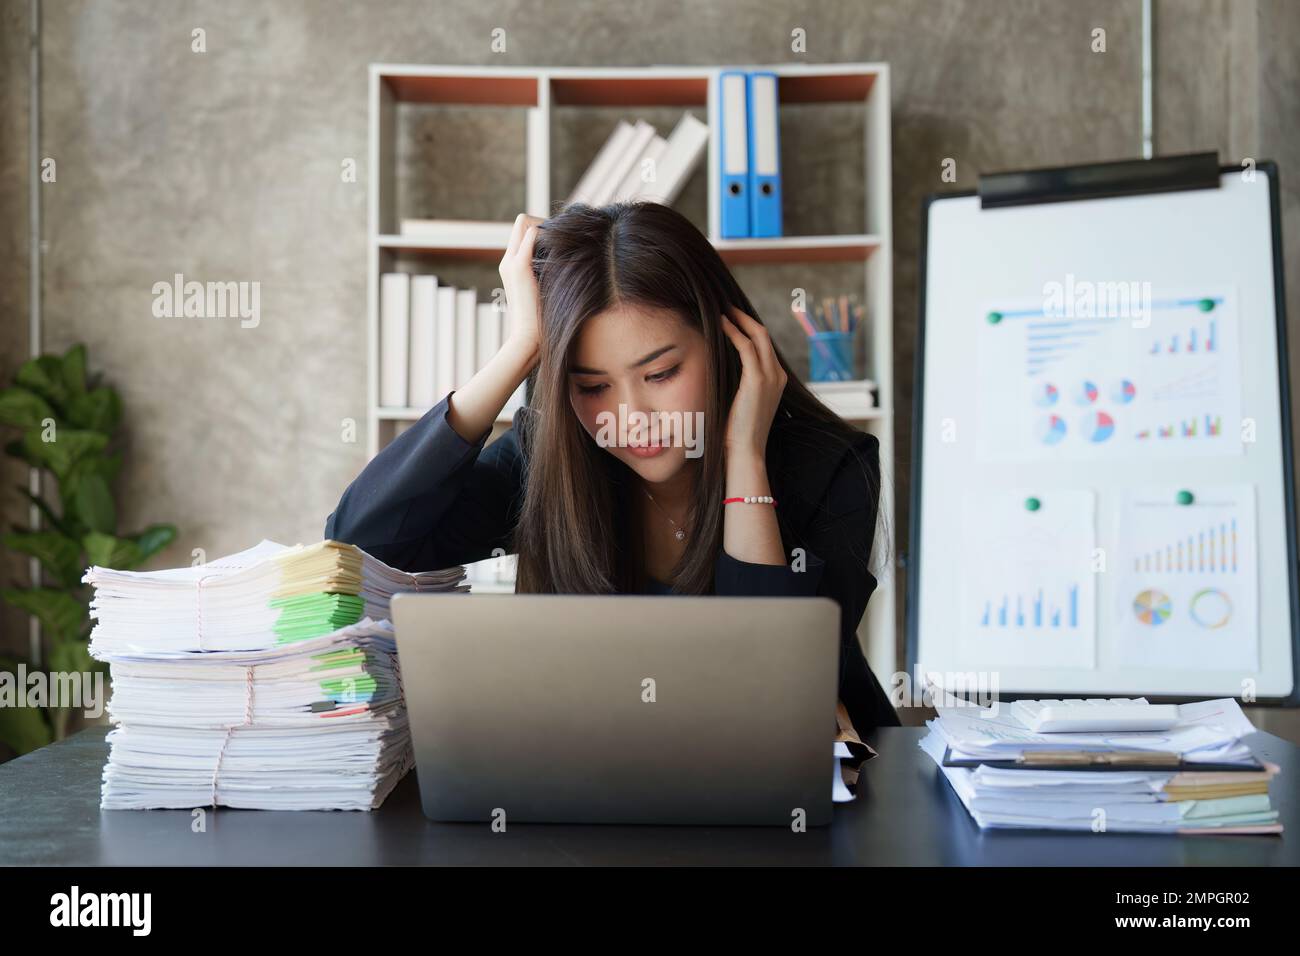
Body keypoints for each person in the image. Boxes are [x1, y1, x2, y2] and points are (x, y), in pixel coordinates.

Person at [325, 202, 900, 732]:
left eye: (660, 375)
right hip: (599, 787)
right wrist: (520, 348)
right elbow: (360, 544)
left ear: (727, 344)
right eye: (593, 386)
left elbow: (775, 693)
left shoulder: (833, 469)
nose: (630, 418)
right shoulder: (552, 457)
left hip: (810, 812)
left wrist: (744, 455)